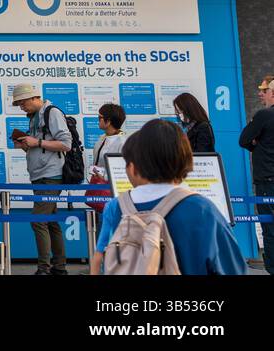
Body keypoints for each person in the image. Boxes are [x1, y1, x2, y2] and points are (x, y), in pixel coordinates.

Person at [91, 118, 245, 275]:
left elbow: (102, 258)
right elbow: (232, 269)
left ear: (132, 167)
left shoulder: (116, 207)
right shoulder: (203, 210)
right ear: (185, 161)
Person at [10, 82, 70, 275]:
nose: (21, 107)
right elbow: (41, 145)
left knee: (38, 220)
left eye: (22, 102)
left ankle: (44, 269)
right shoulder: (35, 116)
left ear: (34, 97)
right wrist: (27, 144)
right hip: (40, 175)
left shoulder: (52, 112)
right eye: (18, 104)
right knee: (50, 222)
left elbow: (66, 144)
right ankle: (59, 267)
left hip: (50, 175)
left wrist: (37, 142)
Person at [238, 73, 274, 274]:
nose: (262, 95)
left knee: (270, 228)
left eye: (265, 91)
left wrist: (257, 144)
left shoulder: (264, 116)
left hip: (268, 180)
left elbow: (243, 140)